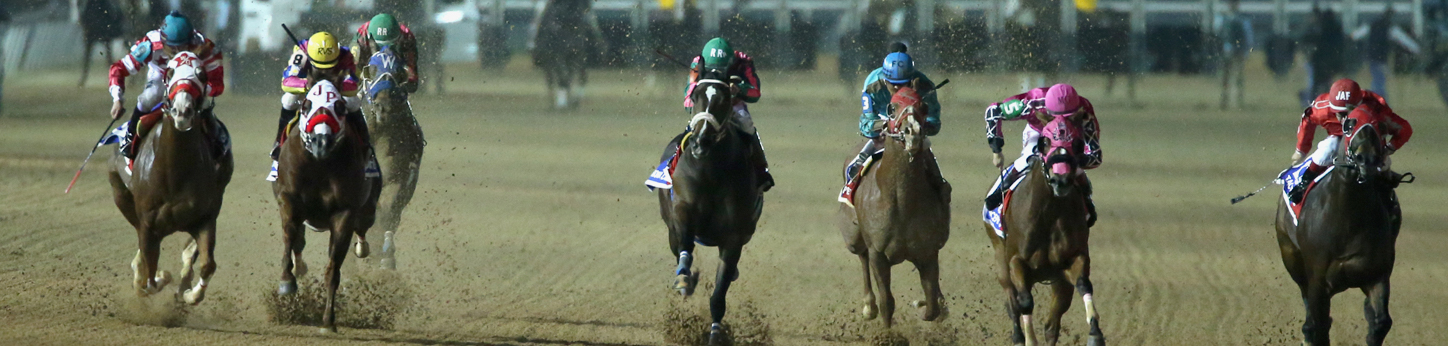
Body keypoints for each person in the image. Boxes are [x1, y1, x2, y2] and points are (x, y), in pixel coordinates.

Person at [107, 11, 226, 166]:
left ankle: (216, 139)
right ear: (163, 42)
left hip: (191, 81)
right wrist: (117, 99)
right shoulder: (149, 44)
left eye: (184, 46)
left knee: (202, 104)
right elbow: (118, 69)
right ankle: (130, 136)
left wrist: (202, 90)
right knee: (148, 97)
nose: (178, 52)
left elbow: (217, 84)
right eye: (173, 48)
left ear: (191, 39)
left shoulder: (205, 47)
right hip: (161, 76)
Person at [982, 84, 1101, 226]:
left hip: (1070, 138)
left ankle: (1087, 200)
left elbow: (1095, 155)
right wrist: (996, 149)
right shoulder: (1033, 102)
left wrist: (1075, 161)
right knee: (1028, 158)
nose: (1061, 121)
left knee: (1075, 167)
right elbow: (993, 111)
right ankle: (1000, 192)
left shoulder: (1084, 110)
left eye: (1068, 118)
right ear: (1046, 110)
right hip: (1038, 132)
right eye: (1055, 117)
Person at [269, 31, 376, 181]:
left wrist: (330, 86)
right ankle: (278, 150)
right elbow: (287, 81)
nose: (325, 70)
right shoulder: (301, 53)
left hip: (335, 89)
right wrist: (310, 86)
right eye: (320, 66)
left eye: (329, 66)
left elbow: (352, 84)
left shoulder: (345, 54)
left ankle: (367, 149)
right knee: (288, 99)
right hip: (308, 88)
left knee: (353, 102)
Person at [1287, 78, 1412, 203]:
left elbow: (1404, 129)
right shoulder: (1322, 109)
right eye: (1340, 115)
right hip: (1338, 139)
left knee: (1384, 163)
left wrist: (1389, 148)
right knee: (1328, 148)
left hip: (1366, 142)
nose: (1345, 120)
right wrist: (1301, 150)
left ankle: (1388, 200)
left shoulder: (1376, 110)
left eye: (1350, 113)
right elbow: (1307, 121)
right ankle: (1304, 184)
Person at [841, 46, 941, 186]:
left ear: (912, 80)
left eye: (902, 84)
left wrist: (919, 126)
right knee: (854, 170)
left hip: (912, 128)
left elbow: (935, 122)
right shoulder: (873, 85)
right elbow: (865, 124)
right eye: (892, 84)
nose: (896, 89)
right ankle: (851, 186)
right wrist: (887, 125)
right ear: (884, 79)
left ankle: (941, 191)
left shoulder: (925, 86)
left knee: (937, 181)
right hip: (883, 124)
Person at [682, 37, 772, 192]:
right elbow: (688, 96)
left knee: (747, 126)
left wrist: (740, 89)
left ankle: (760, 170)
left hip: (733, 105)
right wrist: (698, 101)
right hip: (707, 107)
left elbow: (755, 92)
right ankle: (671, 166)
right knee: (691, 129)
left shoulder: (743, 62)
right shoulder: (698, 62)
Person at [1350, 7, 1420, 102]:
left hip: (1372, 55)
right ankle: (1378, 100)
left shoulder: (1372, 25)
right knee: (1379, 79)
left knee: (1377, 78)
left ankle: (1376, 99)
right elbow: (1403, 39)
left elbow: (1356, 35)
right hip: (1381, 57)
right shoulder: (1389, 27)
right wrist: (1416, 49)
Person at [353, 13, 420, 93]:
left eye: (389, 45)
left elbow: (412, 79)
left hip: (397, 62)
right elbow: (351, 69)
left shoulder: (406, 36)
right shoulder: (361, 36)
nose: (385, 49)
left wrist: (403, 75)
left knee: (412, 86)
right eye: (380, 45)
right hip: (368, 60)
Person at [1214, 0, 1253, 110]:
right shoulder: (1226, 18)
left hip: (1237, 50)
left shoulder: (1238, 18)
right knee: (1226, 76)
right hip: (1229, 49)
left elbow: (1247, 35)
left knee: (1237, 75)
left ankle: (1239, 100)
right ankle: (1225, 99)